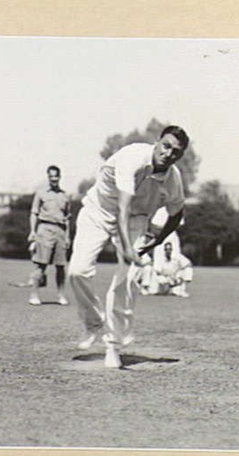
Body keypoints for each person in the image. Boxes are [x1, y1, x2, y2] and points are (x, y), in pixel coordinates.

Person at [68, 125, 189, 352]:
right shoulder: (132, 156)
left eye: (176, 152)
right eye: (166, 146)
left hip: (136, 219)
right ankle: (94, 322)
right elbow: (122, 207)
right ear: (158, 142)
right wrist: (127, 248)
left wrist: (159, 240)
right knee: (77, 271)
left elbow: (176, 212)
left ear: (180, 156)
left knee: (130, 276)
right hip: (99, 211)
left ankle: (114, 342)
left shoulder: (174, 178)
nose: (168, 154)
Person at [27, 165, 71, 306]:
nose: (53, 179)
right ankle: (34, 295)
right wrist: (32, 231)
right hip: (44, 228)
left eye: (56, 176)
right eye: (51, 176)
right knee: (41, 264)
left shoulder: (65, 195)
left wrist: (67, 236)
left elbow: (68, 218)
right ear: (48, 177)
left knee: (60, 266)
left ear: (59, 177)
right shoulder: (41, 194)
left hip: (60, 231)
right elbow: (34, 213)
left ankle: (61, 296)